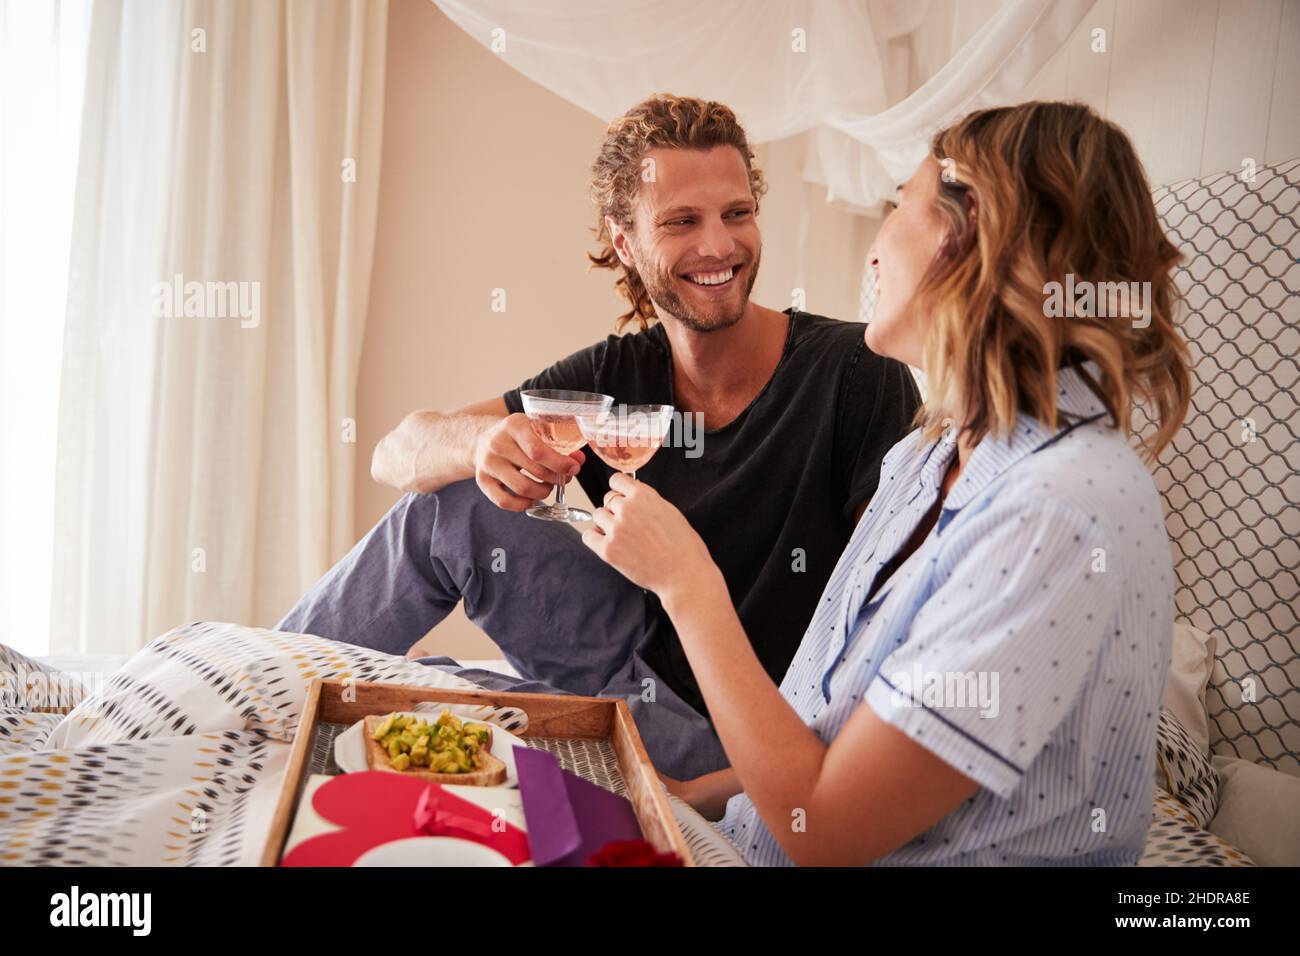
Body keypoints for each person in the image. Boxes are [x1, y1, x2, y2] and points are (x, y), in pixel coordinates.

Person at [582, 101, 1193, 865]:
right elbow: (839, 729)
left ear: (971, 241)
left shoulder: (1061, 511)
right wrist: (679, 791)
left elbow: (829, 829)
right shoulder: (929, 456)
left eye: (897, 206)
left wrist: (687, 584)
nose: (874, 250)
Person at [276, 94, 920, 778]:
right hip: (634, 658)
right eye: (682, 221)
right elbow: (396, 452)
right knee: (450, 502)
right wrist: (480, 446)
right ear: (625, 241)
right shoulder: (616, 373)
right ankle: (268, 684)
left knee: (449, 696)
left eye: (737, 213)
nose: (719, 246)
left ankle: (433, 699)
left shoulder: (856, 371)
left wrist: (742, 787)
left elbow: (890, 626)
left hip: (743, 726)